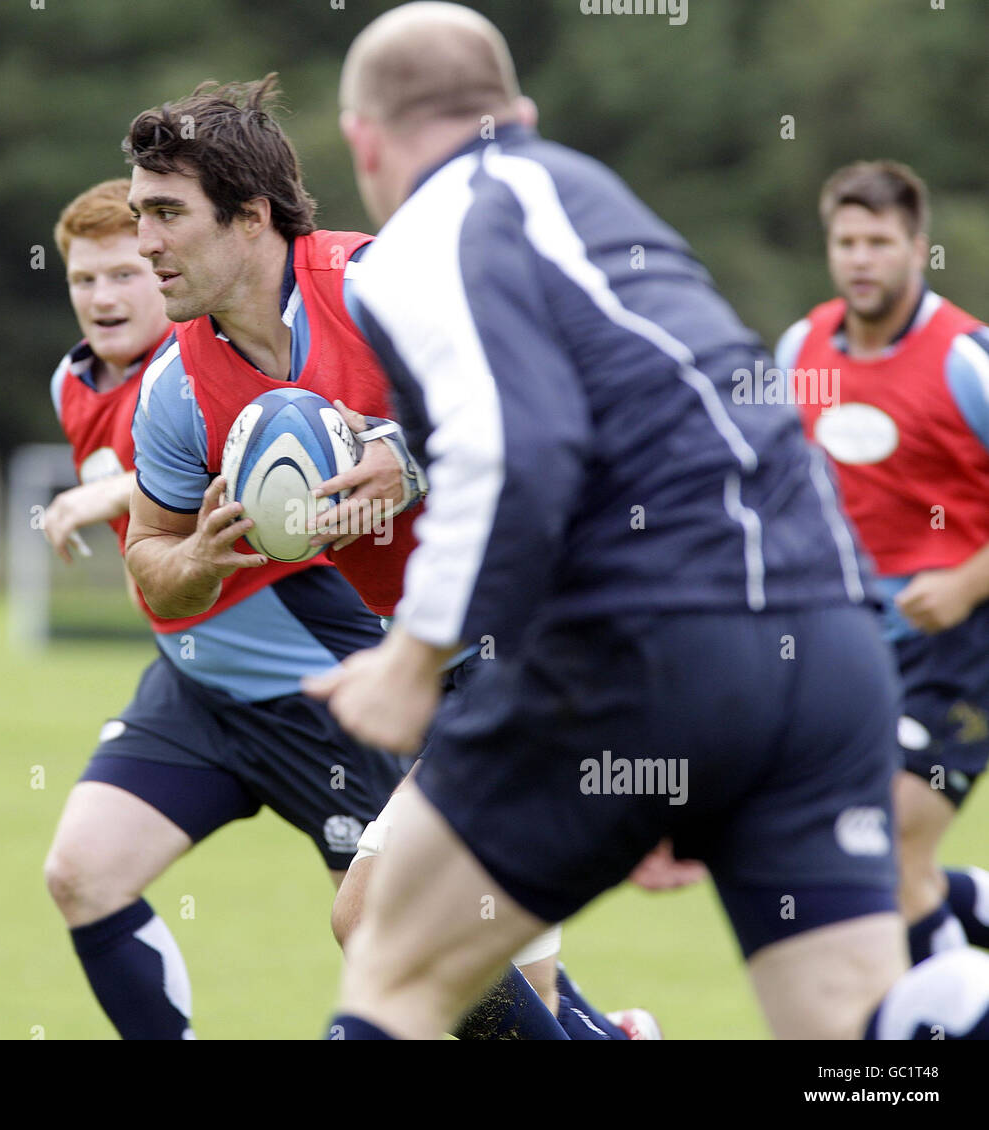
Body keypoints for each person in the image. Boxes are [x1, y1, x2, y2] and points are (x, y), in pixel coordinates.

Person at [308, 1, 989, 1040]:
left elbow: (512, 452)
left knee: (387, 960)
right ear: (519, 112)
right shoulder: (595, 193)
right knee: (854, 1033)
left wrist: (412, 658)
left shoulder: (414, 245)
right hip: (830, 642)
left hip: (654, 639)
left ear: (363, 138)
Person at [122, 76, 637, 1039]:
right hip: (445, 666)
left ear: (249, 216)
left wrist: (410, 452)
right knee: (516, 976)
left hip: (555, 627)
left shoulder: (387, 287)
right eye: (137, 213)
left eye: (165, 213)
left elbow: (562, 405)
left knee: (375, 919)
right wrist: (202, 555)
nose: (142, 241)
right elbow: (147, 558)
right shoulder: (177, 389)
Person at [39, 179, 409, 1040]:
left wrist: (118, 495)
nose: (103, 297)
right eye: (82, 280)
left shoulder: (217, 363)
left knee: (404, 948)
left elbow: (268, 457)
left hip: (318, 695)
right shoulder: (75, 382)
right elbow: (161, 540)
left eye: (124, 274)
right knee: (81, 872)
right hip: (197, 686)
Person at [778, 160, 989, 966]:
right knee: (864, 864)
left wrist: (968, 582)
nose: (861, 258)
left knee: (892, 852)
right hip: (857, 647)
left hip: (963, 647)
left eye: (879, 241)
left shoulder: (966, 359)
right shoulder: (801, 347)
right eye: (846, 241)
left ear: (917, 247)